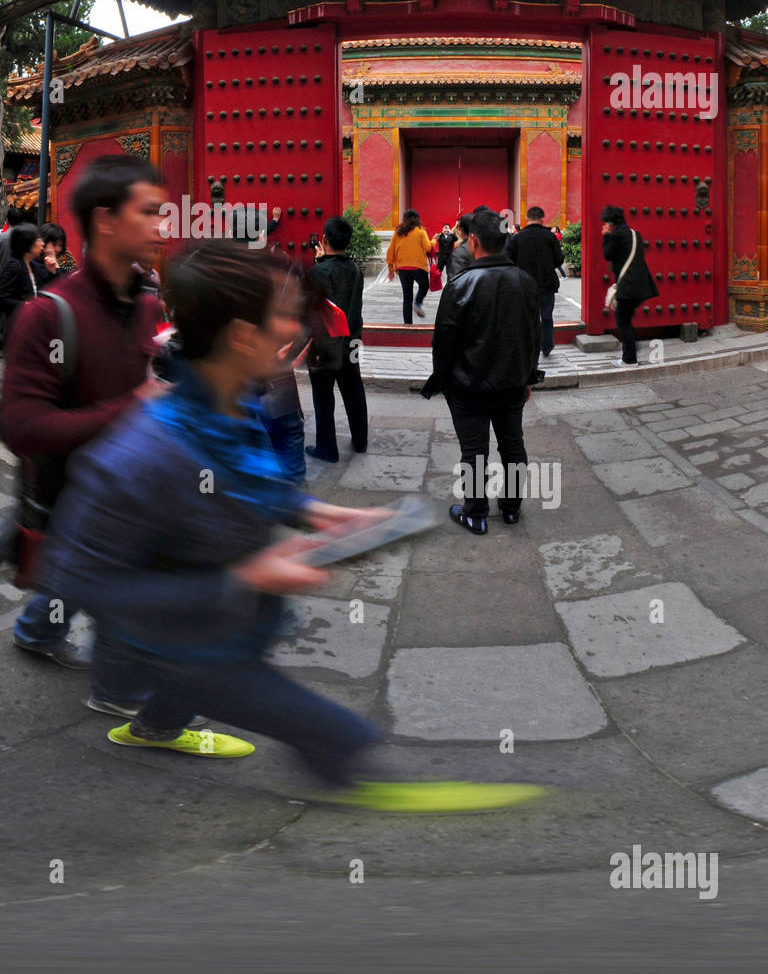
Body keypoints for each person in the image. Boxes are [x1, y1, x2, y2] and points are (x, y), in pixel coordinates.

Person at [34, 241, 543, 814]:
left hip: (225, 622)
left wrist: (318, 514)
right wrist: (244, 579)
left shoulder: (235, 402)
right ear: (240, 336)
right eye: (282, 313)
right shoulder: (140, 453)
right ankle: (372, 785)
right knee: (330, 732)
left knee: (177, 695)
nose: (296, 325)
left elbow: (251, 483)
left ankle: (153, 728)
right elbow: (80, 578)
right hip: (181, 639)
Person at [2, 155, 169, 709]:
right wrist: (130, 409)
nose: (161, 225)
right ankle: (125, 694)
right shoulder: (48, 314)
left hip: (134, 489)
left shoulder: (148, 303)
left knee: (74, 579)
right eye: (148, 212)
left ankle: (38, 630)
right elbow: (21, 427)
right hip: (74, 493)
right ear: (105, 220)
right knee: (126, 589)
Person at [420, 209, 543, 534]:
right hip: (512, 383)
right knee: (513, 445)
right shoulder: (525, 282)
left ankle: (475, 513)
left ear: (473, 240)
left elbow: (443, 341)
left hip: (468, 385)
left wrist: (442, 381)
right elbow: (533, 336)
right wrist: (529, 377)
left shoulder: (460, 285)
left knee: (474, 450)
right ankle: (512, 508)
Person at [306, 216, 369, 462]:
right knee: (354, 389)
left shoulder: (315, 272)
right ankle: (360, 440)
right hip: (351, 339)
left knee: (323, 396)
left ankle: (327, 449)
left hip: (325, 344)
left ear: (324, 239)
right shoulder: (356, 270)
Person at [597, 204, 658, 364]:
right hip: (641, 285)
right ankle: (631, 348)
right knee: (626, 320)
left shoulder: (616, 236)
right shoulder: (635, 234)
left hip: (627, 286)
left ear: (612, 223)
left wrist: (606, 236)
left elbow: (607, 255)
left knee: (623, 322)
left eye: (606, 222)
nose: (604, 225)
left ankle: (629, 359)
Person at [511, 205, 564, 360]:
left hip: (524, 284)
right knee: (546, 316)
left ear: (527, 218)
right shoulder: (550, 237)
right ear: (542, 218)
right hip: (546, 283)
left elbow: (510, 259)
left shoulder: (518, 237)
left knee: (526, 317)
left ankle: (528, 346)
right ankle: (546, 345)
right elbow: (559, 260)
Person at [387, 209, 432, 323]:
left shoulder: (398, 232)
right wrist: (435, 240)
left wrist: (390, 269)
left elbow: (390, 251)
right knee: (424, 286)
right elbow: (427, 248)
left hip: (402, 268)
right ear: (417, 219)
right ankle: (417, 302)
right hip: (418, 267)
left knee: (407, 298)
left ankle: (407, 324)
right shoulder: (421, 231)